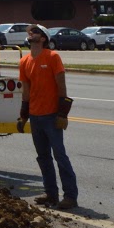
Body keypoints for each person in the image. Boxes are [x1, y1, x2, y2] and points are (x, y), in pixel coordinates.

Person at [18, 23, 78, 211]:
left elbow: (61, 86)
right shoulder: (24, 61)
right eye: (30, 31)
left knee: (60, 156)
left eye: (35, 31)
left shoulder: (53, 57)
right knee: (43, 157)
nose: (31, 33)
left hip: (52, 116)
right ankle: (51, 193)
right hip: (36, 117)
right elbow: (26, 91)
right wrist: (23, 116)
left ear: (43, 38)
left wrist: (62, 113)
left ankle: (70, 196)